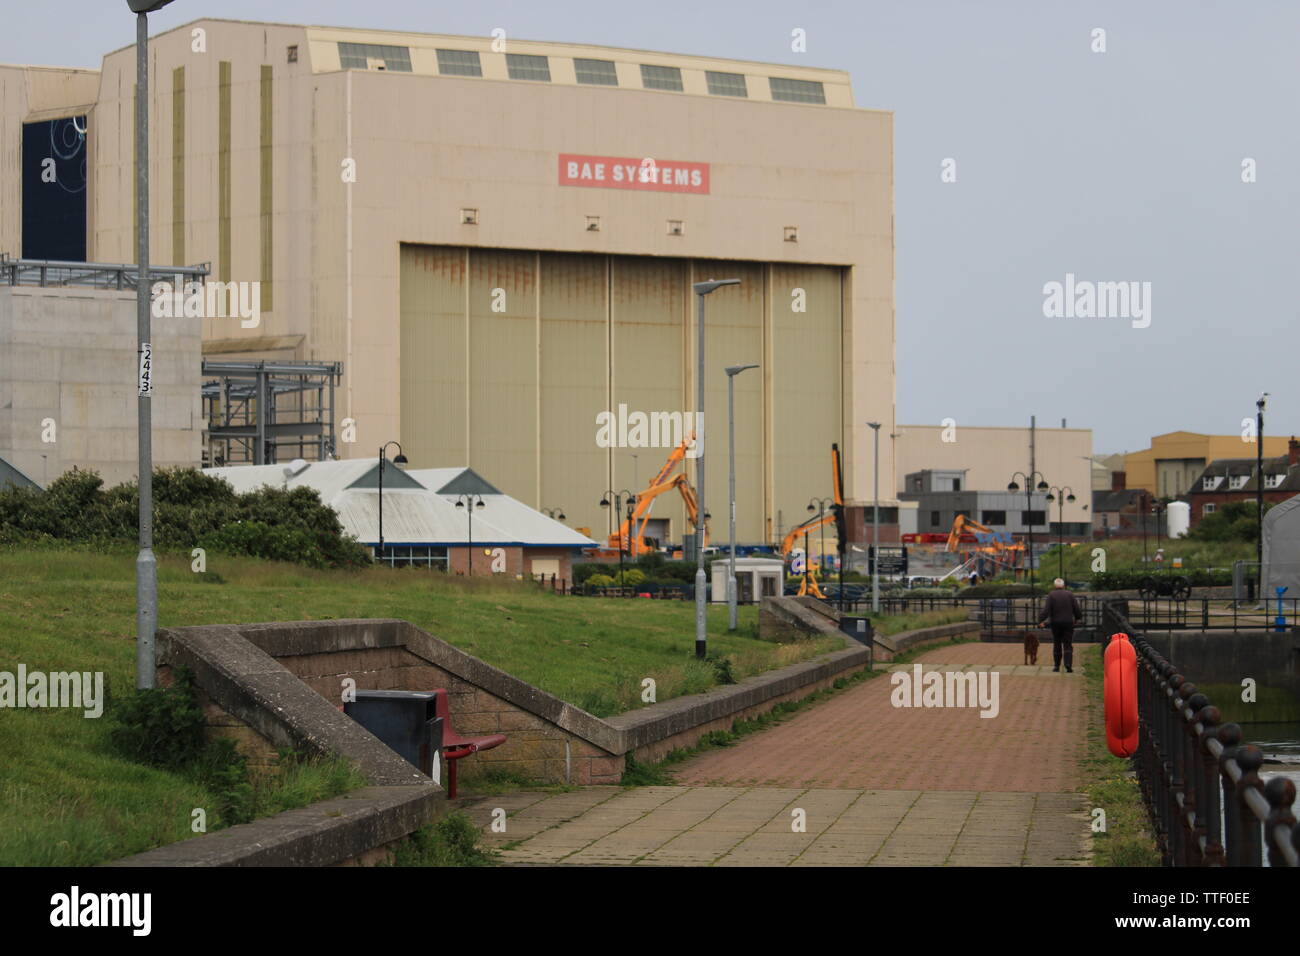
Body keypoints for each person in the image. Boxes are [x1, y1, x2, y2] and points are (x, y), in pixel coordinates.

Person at [1038, 577, 1082, 672]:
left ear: (1055, 586)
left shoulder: (1051, 595)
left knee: (1057, 643)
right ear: (1063, 585)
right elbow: (1076, 608)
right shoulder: (1070, 594)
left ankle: (1057, 666)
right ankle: (1068, 665)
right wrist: (1078, 618)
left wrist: (1040, 620)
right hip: (1068, 623)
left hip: (1055, 623)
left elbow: (1046, 610)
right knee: (1068, 644)